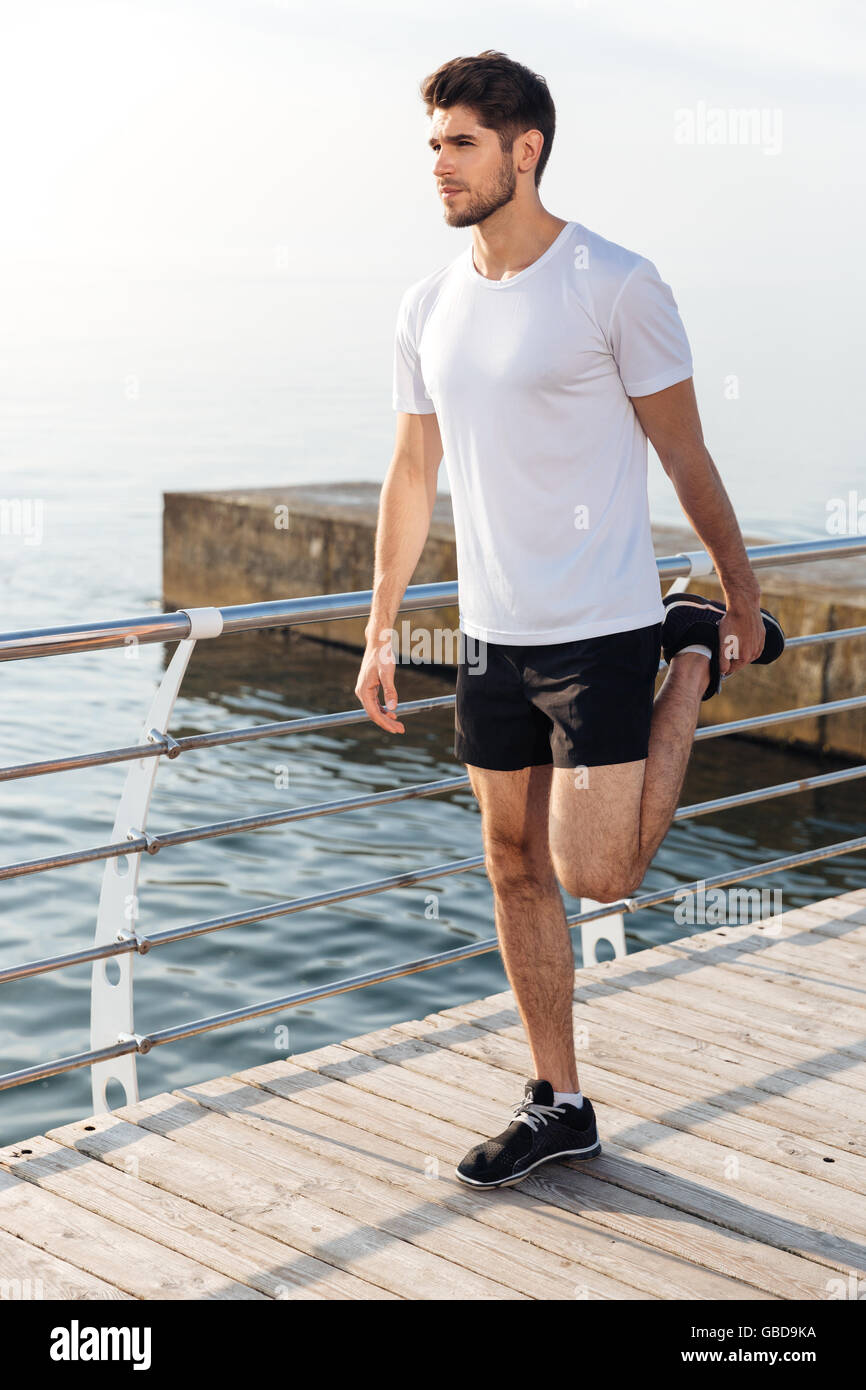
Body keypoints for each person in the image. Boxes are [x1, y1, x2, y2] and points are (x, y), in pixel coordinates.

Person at [354, 50, 784, 1190]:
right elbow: (410, 471)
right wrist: (382, 621)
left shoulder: (613, 282)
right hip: (491, 633)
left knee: (596, 874)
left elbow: (682, 451)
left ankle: (683, 655)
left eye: (458, 143)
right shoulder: (426, 306)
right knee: (508, 864)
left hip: (601, 624)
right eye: (432, 144)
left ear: (522, 149)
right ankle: (560, 1098)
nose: (436, 165)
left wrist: (734, 600)